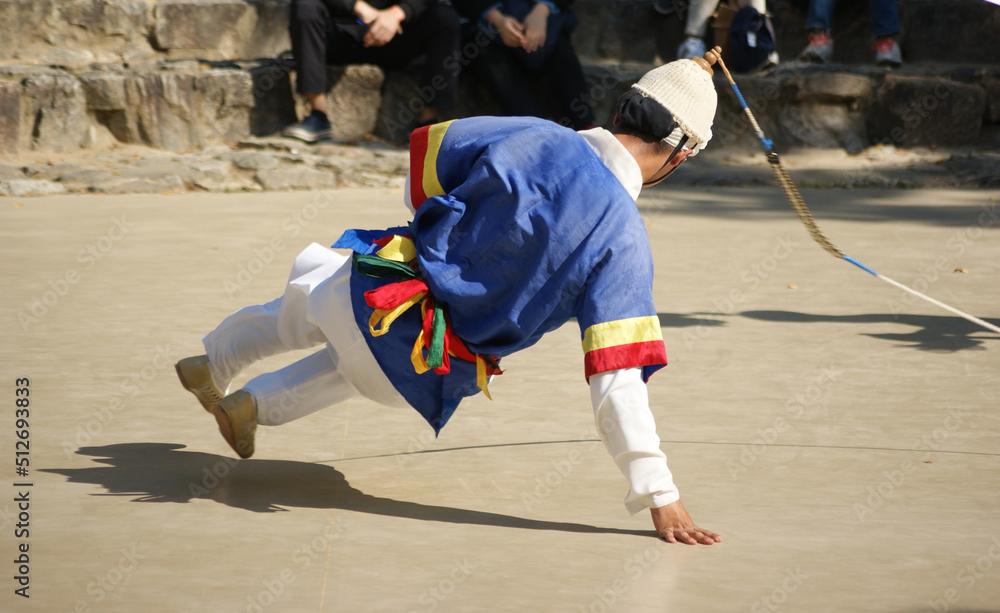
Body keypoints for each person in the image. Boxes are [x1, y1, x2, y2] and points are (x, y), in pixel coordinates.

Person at [175, 54, 724, 544]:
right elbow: (616, 380)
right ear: (681, 154)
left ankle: (215, 358)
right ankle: (254, 406)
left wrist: (443, 232)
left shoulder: (538, 134)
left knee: (314, 299)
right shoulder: (624, 239)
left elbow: (423, 163)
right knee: (361, 366)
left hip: (372, 290)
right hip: (423, 367)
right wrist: (659, 494)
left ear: (625, 109)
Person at [283, 0, 461, 143]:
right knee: (306, 7)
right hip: (336, 37)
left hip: (389, 36)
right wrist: (357, 6)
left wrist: (396, 14)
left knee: (445, 17)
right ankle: (318, 114)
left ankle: (428, 123)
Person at [442, 0, 596, 130]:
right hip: (485, 20)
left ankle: (585, 124)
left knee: (558, 46)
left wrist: (541, 12)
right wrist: (498, 19)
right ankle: (538, 127)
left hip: (538, 12)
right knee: (484, 53)